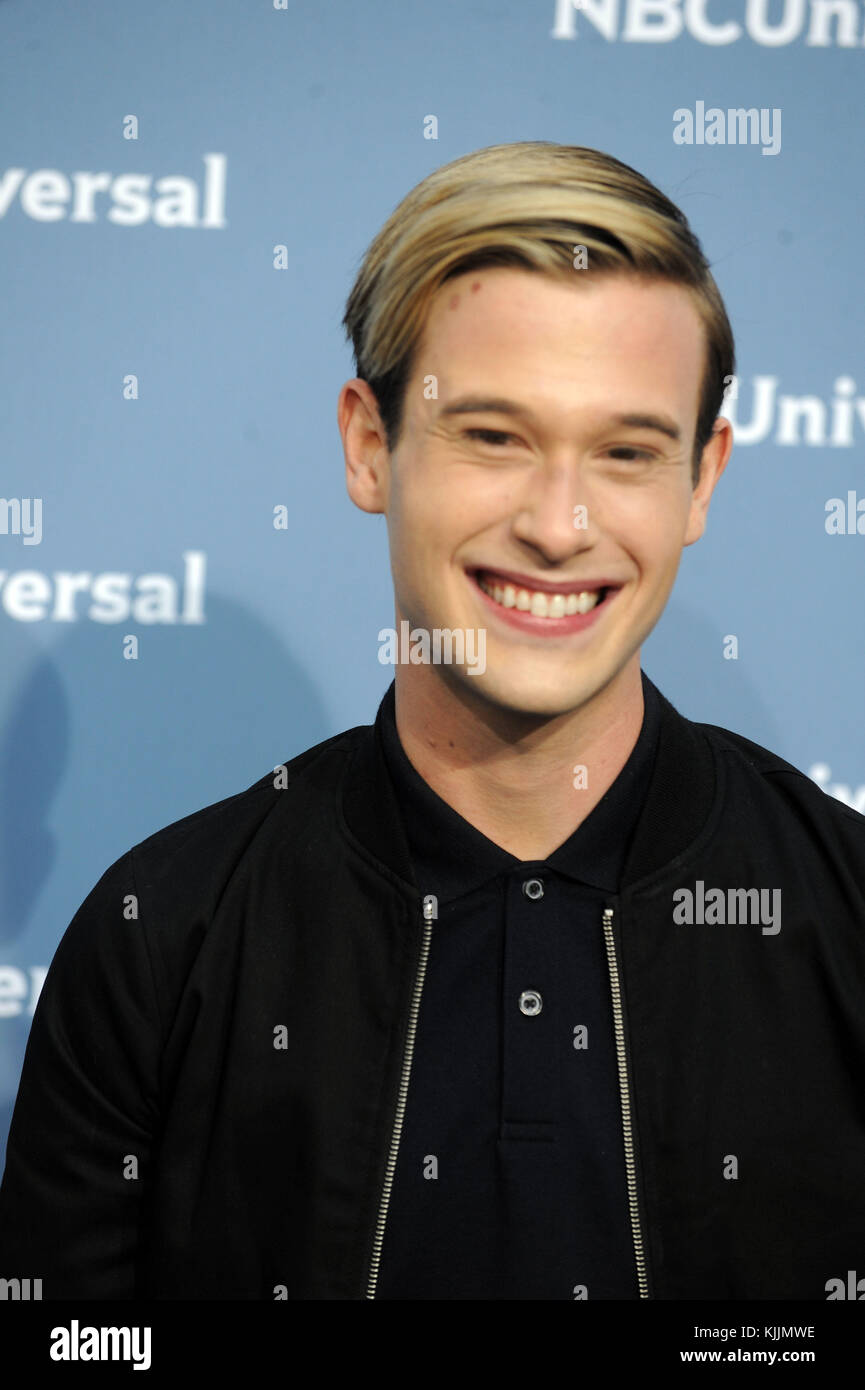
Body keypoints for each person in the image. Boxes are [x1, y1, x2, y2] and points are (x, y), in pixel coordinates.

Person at [1, 141, 864, 1301]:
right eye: (495, 436)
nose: (559, 525)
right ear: (371, 444)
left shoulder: (844, 915)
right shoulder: (163, 938)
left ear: (700, 480)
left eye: (625, 451)